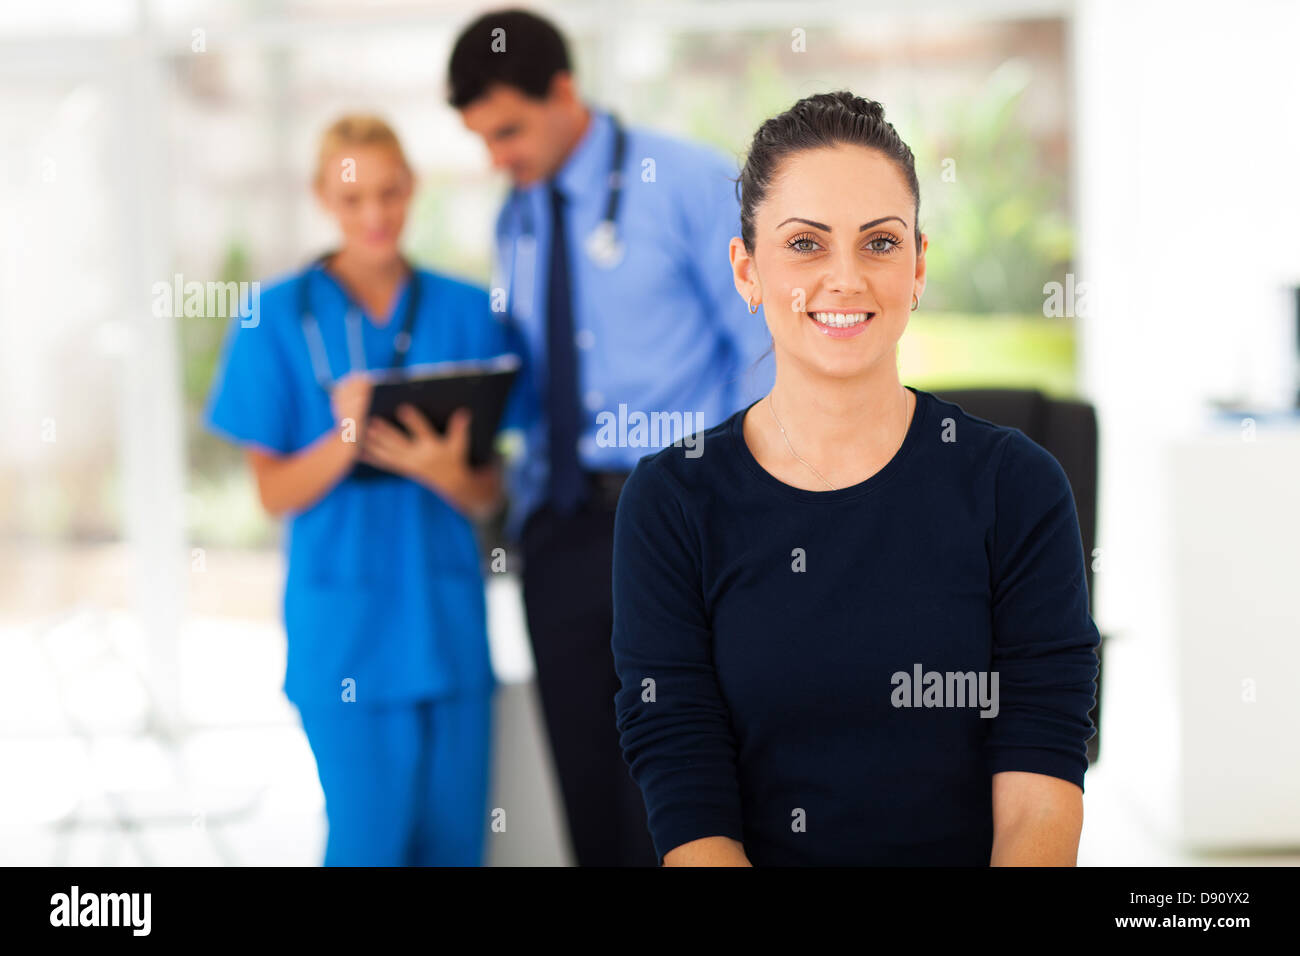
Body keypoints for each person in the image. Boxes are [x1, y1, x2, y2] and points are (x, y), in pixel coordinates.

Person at [612, 91, 1101, 866]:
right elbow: (684, 780)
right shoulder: (673, 502)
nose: (845, 278)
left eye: (879, 244)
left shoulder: (1017, 486)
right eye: (805, 244)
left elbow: (1042, 775)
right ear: (747, 271)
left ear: (917, 269)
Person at [446, 9, 775, 867]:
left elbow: (764, 348)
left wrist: (741, 496)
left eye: (509, 130)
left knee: (684, 782)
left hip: (681, 518)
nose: (498, 158)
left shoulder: (689, 183)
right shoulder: (514, 220)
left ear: (564, 91)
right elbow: (533, 377)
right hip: (562, 526)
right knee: (587, 785)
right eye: (482, 140)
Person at [204, 114, 516, 866]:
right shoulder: (273, 318)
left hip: (446, 631)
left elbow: (493, 492)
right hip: (345, 639)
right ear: (321, 198)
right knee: (369, 846)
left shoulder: (469, 311)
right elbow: (273, 493)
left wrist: (454, 475)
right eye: (352, 200)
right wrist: (345, 439)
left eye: (390, 193)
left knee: (455, 850)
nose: (375, 215)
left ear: (412, 189)